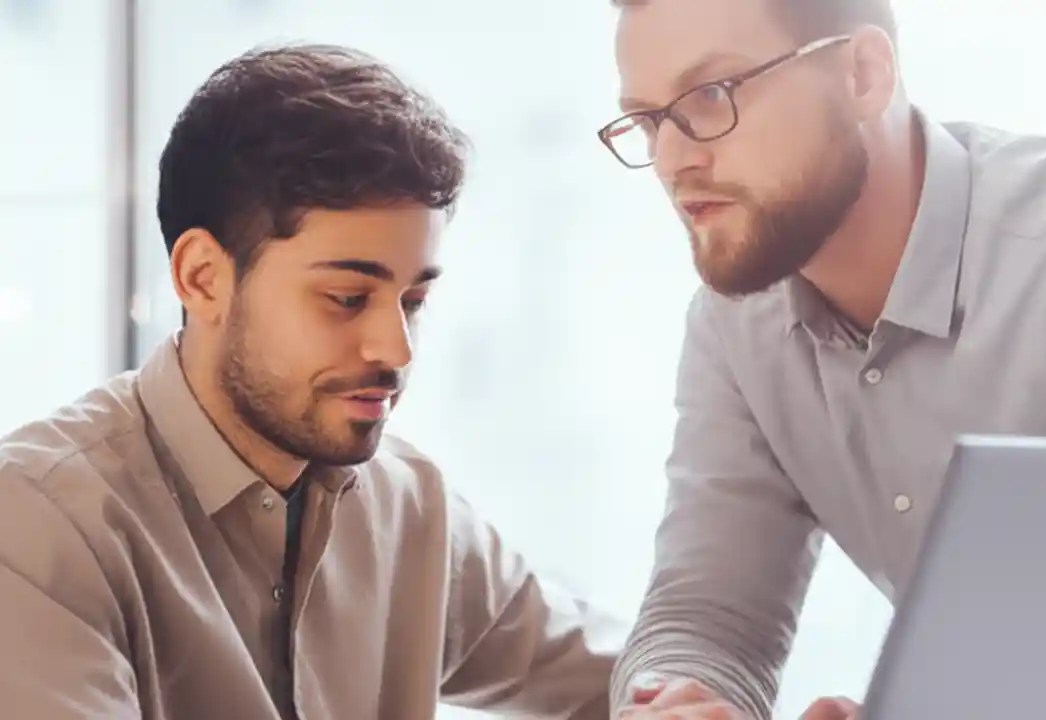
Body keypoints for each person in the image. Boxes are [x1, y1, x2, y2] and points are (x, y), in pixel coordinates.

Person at [595, 1, 1046, 718]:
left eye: (712, 96)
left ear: (863, 73)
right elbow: (706, 615)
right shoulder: (738, 326)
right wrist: (673, 703)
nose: (674, 161)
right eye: (648, 120)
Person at [0, 44, 621, 719]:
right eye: (348, 299)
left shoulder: (412, 507)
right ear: (203, 279)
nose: (397, 348)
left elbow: (623, 679)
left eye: (413, 301)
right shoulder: (37, 528)